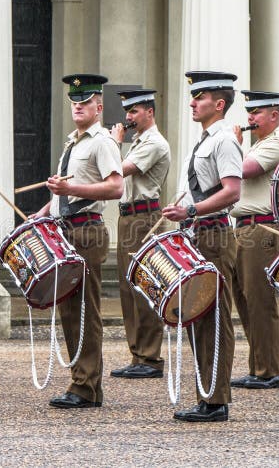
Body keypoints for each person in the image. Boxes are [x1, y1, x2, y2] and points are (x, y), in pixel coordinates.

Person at [32, 74, 123, 408]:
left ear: (99, 106)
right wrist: (44, 211)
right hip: (66, 228)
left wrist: (70, 190)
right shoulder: (74, 143)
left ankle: (85, 386)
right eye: (74, 102)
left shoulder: (102, 142)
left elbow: (115, 187)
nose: (78, 107)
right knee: (70, 309)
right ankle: (84, 383)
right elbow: (65, 193)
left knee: (84, 309)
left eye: (85, 102)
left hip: (86, 231)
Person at [162, 71, 242, 422]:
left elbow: (232, 191)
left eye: (201, 97)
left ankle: (217, 399)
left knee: (215, 315)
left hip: (215, 234)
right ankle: (207, 394)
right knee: (198, 314)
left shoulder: (224, 140)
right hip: (198, 232)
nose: (192, 102)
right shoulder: (204, 140)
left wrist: (191, 210)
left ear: (219, 103)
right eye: (193, 96)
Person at [229, 90, 279, 390]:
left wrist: (231, 147)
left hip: (261, 229)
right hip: (243, 227)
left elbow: (242, 171)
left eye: (257, 112)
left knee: (260, 302)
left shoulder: (277, 143)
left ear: (274, 116)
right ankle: (258, 366)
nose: (250, 118)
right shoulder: (259, 144)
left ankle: (268, 370)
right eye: (250, 112)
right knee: (244, 301)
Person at [109, 89, 171, 379]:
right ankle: (138, 355)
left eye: (134, 111)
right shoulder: (138, 142)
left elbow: (119, 171)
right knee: (127, 287)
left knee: (144, 285)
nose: (128, 117)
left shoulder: (155, 143)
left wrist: (113, 144)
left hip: (145, 218)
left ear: (150, 111)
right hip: (128, 217)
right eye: (127, 112)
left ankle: (149, 357)